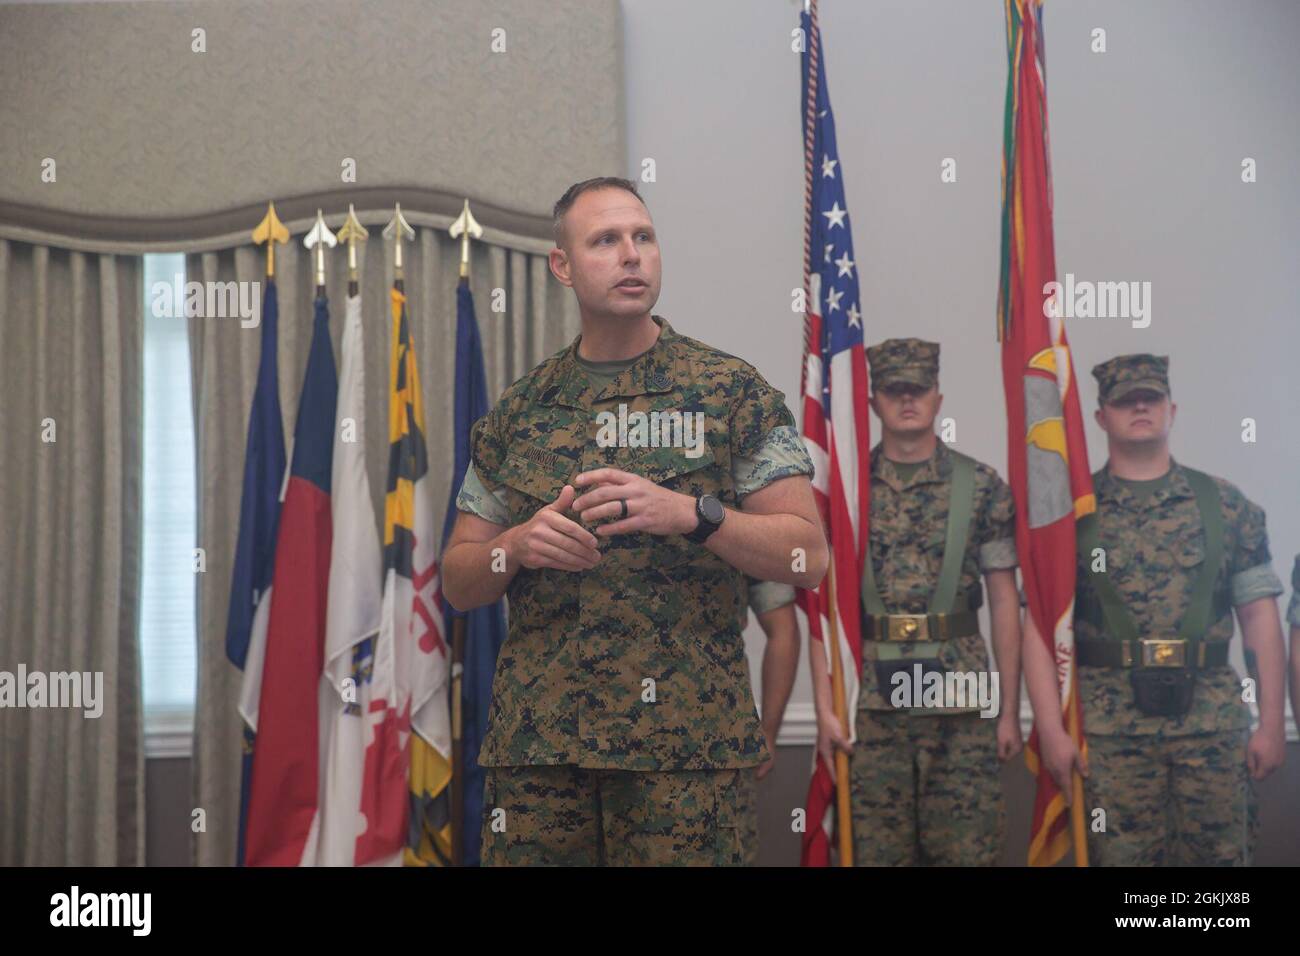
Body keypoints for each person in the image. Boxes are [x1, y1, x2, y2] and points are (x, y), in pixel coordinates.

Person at [442, 176, 828, 866]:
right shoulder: (521, 412)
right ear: (562, 265)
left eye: (643, 238)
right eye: (607, 241)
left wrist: (694, 514)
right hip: (541, 757)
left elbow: (807, 556)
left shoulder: (730, 394)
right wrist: (515, 545)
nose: (632, 256)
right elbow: (460, 581)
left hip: (685, 759)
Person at [1023, 354, 1286, 865]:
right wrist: (1051, 732)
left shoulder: (1227, 505)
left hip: (1211, 729)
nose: (1140, 406)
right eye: (1125, 400)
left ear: (1172, 410)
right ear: (1101, 417)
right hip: (1109, 736)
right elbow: (1039, 627)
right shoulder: (1069, 517)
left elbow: (1260, 620)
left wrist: (1273, 723)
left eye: (1151, 398)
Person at [810, 338, 1023, 866]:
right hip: (872, 708)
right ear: (873, 401)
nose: (908, 400)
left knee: (967, 854)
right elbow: (821, 604)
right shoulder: (845, 493)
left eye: (919, 389)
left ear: (938, 396)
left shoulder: (983, 487)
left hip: (962, 703)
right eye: (893, 390)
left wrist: (1010, 711)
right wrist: (822, 709)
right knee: (879, 857)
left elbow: (1003, 603)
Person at [735, 576, 801, 865]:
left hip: (714, 743)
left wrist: (768, 733)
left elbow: (782, 630)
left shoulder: (747, 529)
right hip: (585, 738)